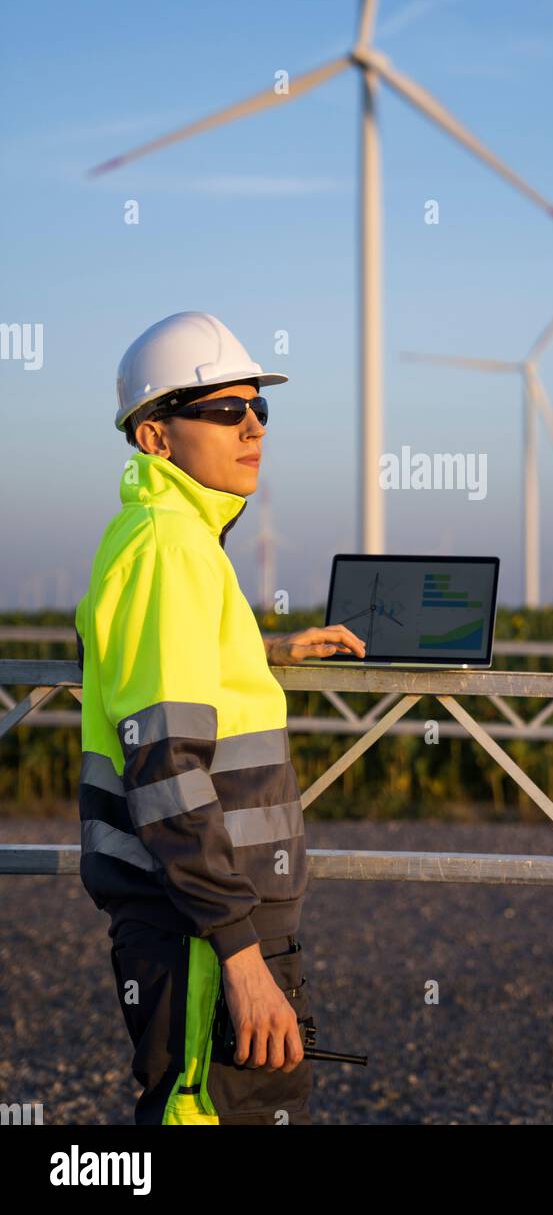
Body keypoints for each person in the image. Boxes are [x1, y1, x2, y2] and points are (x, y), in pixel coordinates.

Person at [74, 310, 365, 1124]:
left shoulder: (174, 539)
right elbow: (165, 767)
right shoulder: (170, 545)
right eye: (223, 410)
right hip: (201, 926)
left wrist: (263, 648)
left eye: (259, 409)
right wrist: (240, 957)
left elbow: (171, 674)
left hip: (209, 916)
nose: (252, 428)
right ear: (156, 439)